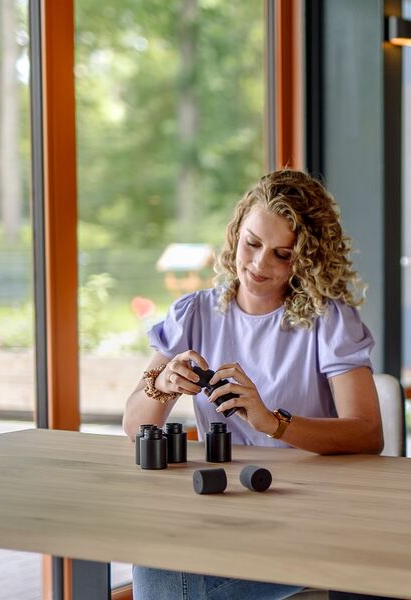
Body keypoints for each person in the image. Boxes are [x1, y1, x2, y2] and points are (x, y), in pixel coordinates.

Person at [124, 169, 384, 599]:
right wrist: (162, 386)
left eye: (283, 254)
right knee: (154, 560)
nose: (260, 265)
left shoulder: (330, 321)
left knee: (171, 582)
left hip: (311, 511)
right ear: (235, 233)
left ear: (308, 259)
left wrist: (271, 422)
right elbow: (134, 426)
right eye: (252, 243)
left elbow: (368, 433)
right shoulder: (194, 313)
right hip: (227, 504)